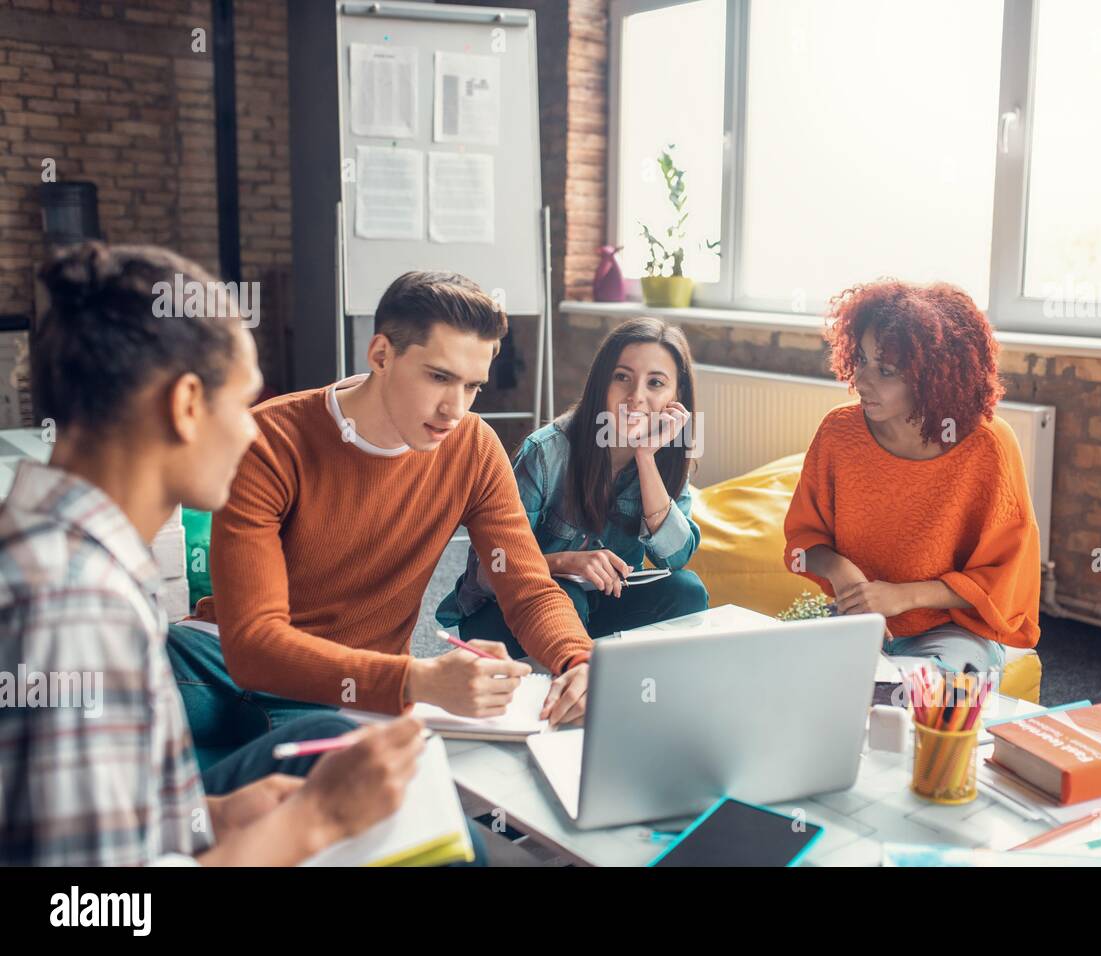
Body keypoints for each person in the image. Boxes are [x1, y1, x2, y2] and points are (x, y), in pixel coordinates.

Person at [0, 242, 425, 865]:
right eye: (242, 403)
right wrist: (312, 823)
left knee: (330, 741)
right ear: (187, 405)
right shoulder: (75, 604)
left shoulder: (56, 542)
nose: (252, 428)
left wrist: (217, 816)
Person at [168, 270, 594, 750]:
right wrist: (419, 679)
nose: (455, 408)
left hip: (350, 687)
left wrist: (577, 661)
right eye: (438, 377)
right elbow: (255, 646)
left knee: (340, 792)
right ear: (381, 355)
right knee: (106, 720)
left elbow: (527, 587)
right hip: (216, 660)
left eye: (473, 386)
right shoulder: (270, 441)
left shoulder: (474, 448)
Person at [783, 280, 1040, 675]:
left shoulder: (987, 445)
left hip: (951, 632)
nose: (862, 381)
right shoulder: (838, 432)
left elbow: (1005, 578)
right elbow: (804, 540)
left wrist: (901, 597)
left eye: (885, 370)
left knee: (923, 695)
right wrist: (842, 573)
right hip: (856, 621)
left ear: (931, 377)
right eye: (862, 360)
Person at [438, 317, 709, 653]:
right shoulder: (547, 452)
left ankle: (612, 673)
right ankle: (574, 677)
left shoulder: (665, 456)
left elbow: (676, 557)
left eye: (656, 383)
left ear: (676, 395)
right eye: (622, 377)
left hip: (600, 607)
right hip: (511, 610)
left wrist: (645, 457)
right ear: (602, 383)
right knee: (568, 597)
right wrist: (565, 563)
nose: (636, 397)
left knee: (687, 591)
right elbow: (488, 569)